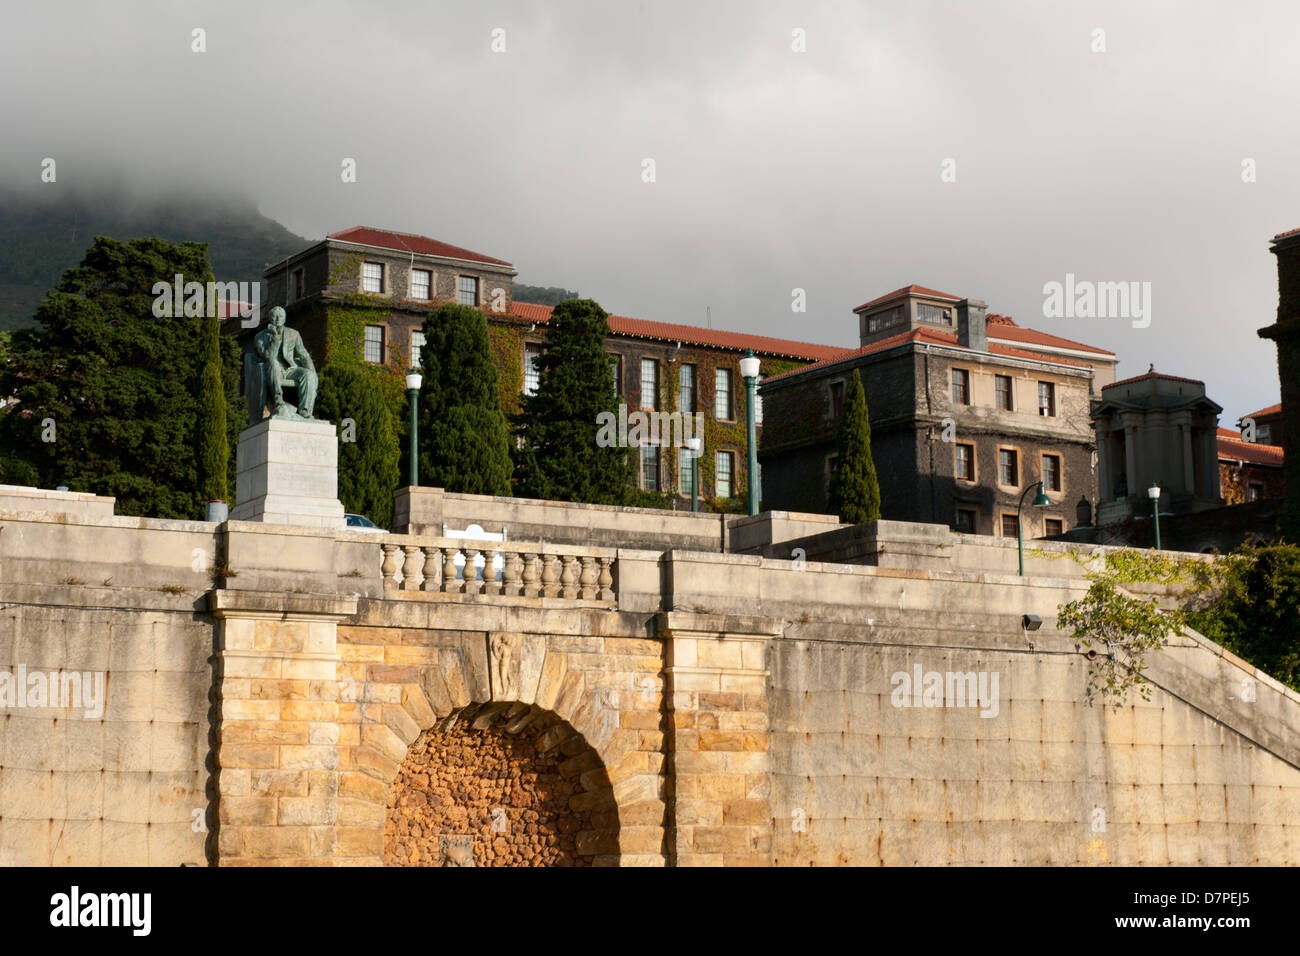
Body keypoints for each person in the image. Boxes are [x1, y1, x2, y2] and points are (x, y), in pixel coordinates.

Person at [250, 306, 318, 421]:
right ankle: (278, 401)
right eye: (275, 316)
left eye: (281, 316)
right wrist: (275, 339)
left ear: (285, 318)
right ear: (270, 318)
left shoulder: (294, 334)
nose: (278, 319)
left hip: (290, 369)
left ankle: (304, 410)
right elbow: (268, 356)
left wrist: (313, 372)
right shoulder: (260, 337)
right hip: (272, 369)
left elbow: (303, 355)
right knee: (273, 362)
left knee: (308, 375)